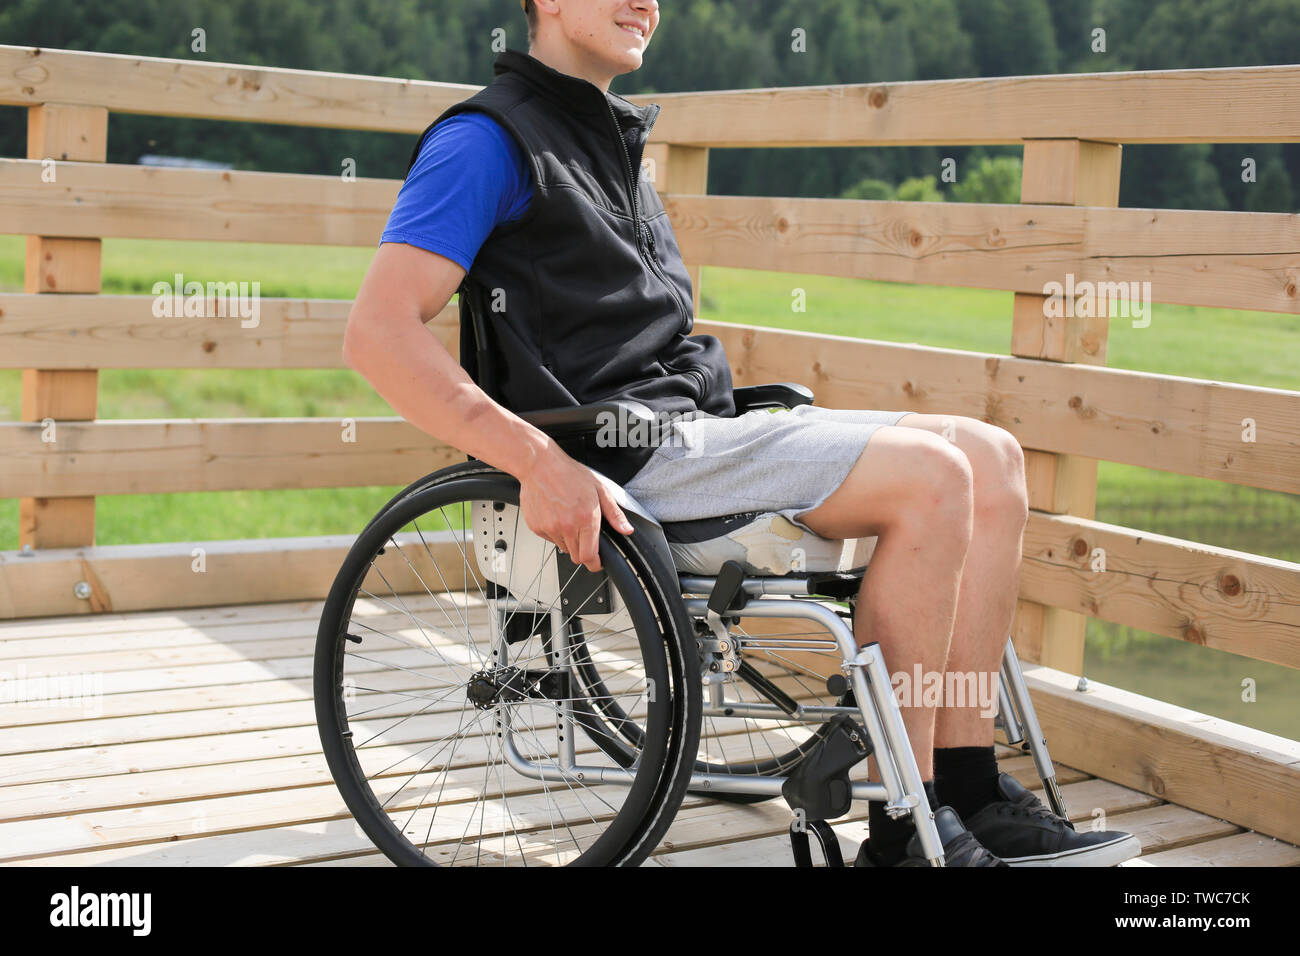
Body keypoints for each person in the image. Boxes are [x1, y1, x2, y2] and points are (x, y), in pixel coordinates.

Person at [344, 0, 1140, 868]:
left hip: (698, 428)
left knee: (996, 457)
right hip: (627, 455)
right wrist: (537, 461)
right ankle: (905, 832)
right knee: (938, 477)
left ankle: (968, 788)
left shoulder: (607, 137)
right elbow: (379, 334)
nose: (646, 1)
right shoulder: (485, 143)